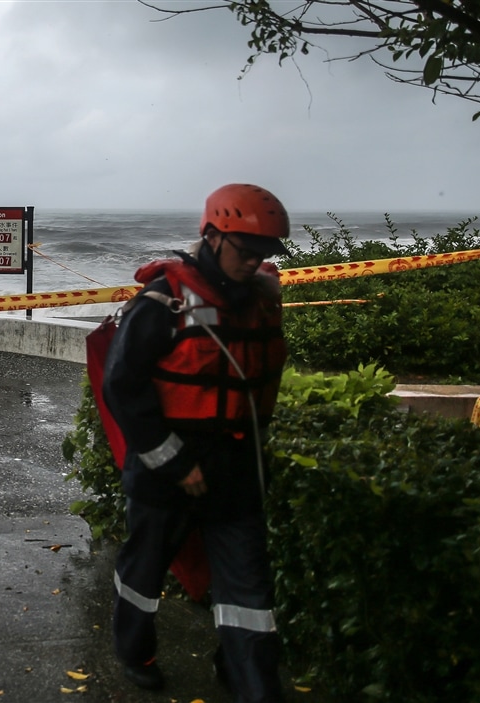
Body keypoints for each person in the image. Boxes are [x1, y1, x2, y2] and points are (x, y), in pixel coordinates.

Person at [101, 183, 290, 702]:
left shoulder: (260, 303)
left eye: (263, 252)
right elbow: (122, 386)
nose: (253, 261)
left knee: (249, 590)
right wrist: (176, 463)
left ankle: (252, 683)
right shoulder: (162, 303)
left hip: (235, 472)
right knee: (143, 572)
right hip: (166, 471)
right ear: (212, 236)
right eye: (244, 249)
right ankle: (134, 652)